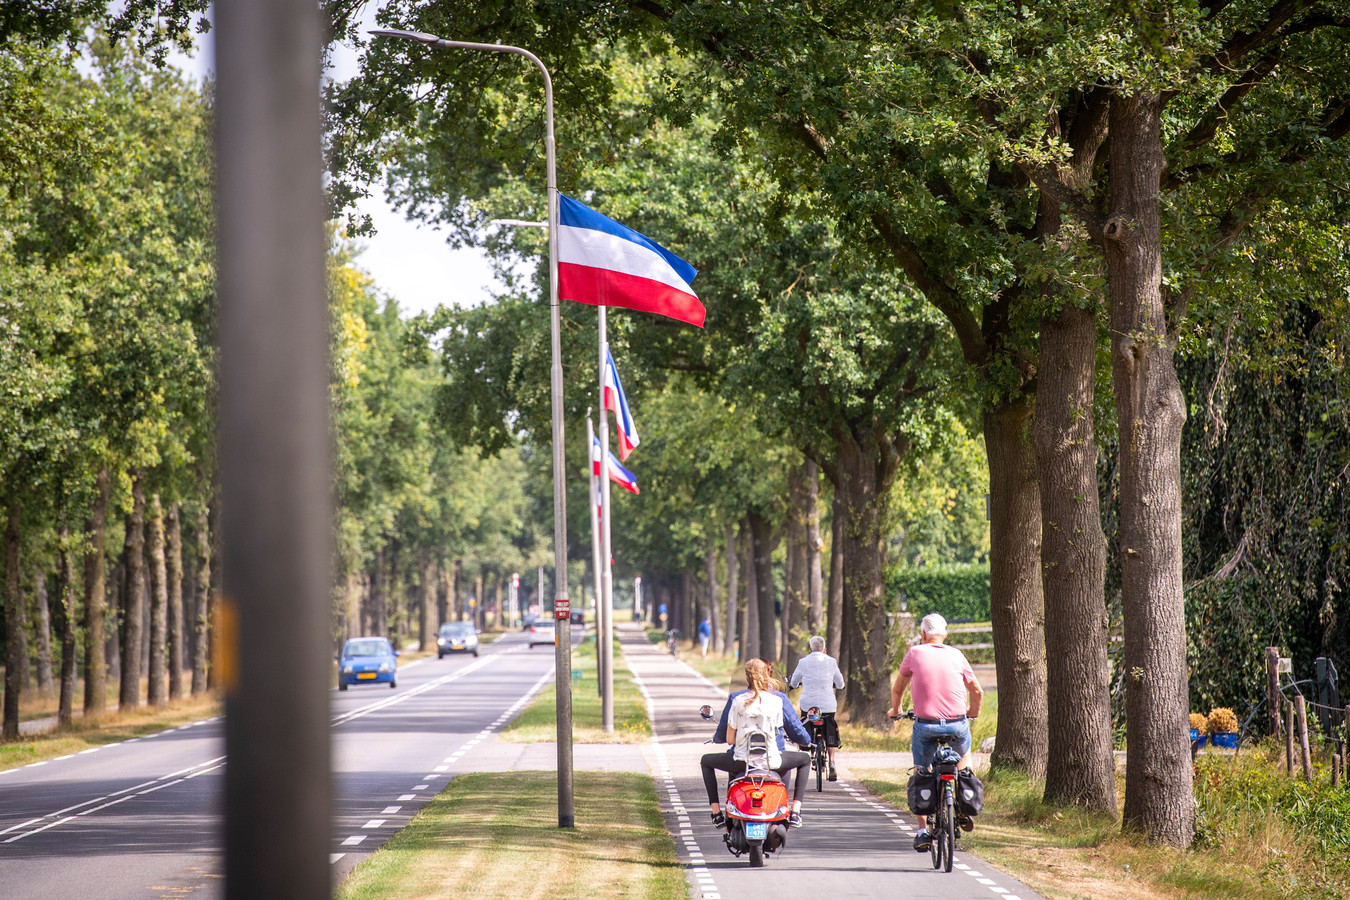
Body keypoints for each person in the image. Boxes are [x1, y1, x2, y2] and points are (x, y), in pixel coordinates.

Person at [887, 612, 984, 853]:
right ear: (946, 634)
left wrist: (896, 710)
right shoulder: (957, 654)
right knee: (964, 757)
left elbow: (899, 687)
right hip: (957, 723)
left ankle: (922, 831)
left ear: (922, 634)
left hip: (926, 724)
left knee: (922, 771)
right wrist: (972, 712)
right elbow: (977, 691)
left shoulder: (915, 653)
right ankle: (962, 803)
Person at [702, 659, 813, 828]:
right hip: (772, 762)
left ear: (747, 678)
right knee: (805, 759)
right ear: (768, 675)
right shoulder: (777, 701)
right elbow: (779, 730)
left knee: (706, 761)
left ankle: (717, 813)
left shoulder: (736, 700)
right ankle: (796, 811)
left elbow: (730, 739)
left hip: (741, 762)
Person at [788, 634, 845, 780]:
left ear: (810, 649)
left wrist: (793, 685)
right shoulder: (831, 661)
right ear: (824, 649)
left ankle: (805, 754)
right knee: (830, 726)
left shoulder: (803, 661)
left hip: (809, 705)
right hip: (828, 705)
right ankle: (832, 762)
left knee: (805, 723)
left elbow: (794, 681)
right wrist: (838, 686)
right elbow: (840, 683)